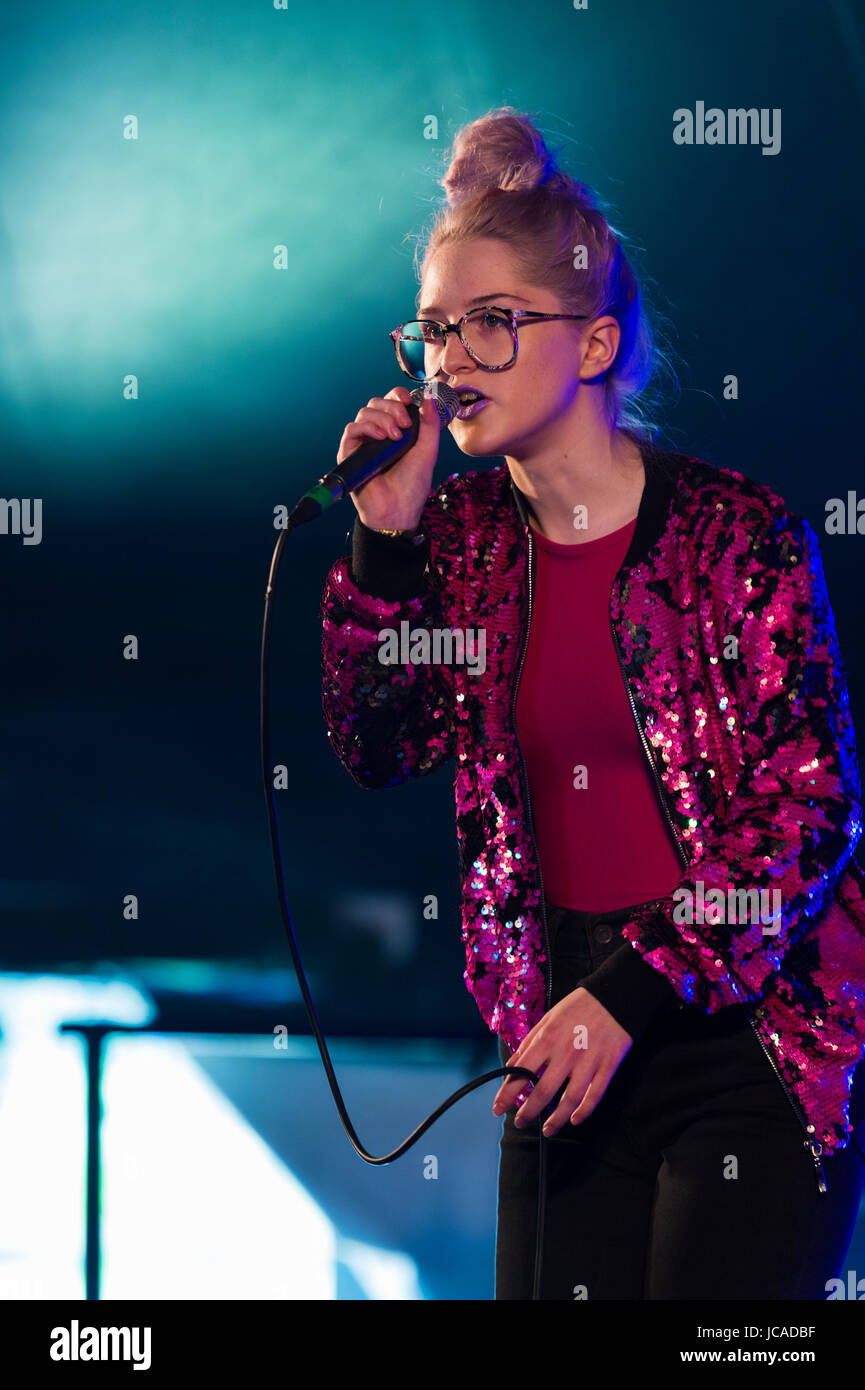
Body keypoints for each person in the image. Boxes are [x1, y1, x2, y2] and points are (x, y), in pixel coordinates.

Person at [319, 106, 865, 1300]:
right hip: (557, 1038)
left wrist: (627, 994)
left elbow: (810, 812)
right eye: (436, 330)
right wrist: (385, 548)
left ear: (597, 344)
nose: (451, 360)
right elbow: (373, 741)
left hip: (748, 1035)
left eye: (493, 325)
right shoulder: (457, 541)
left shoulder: (735, 531)